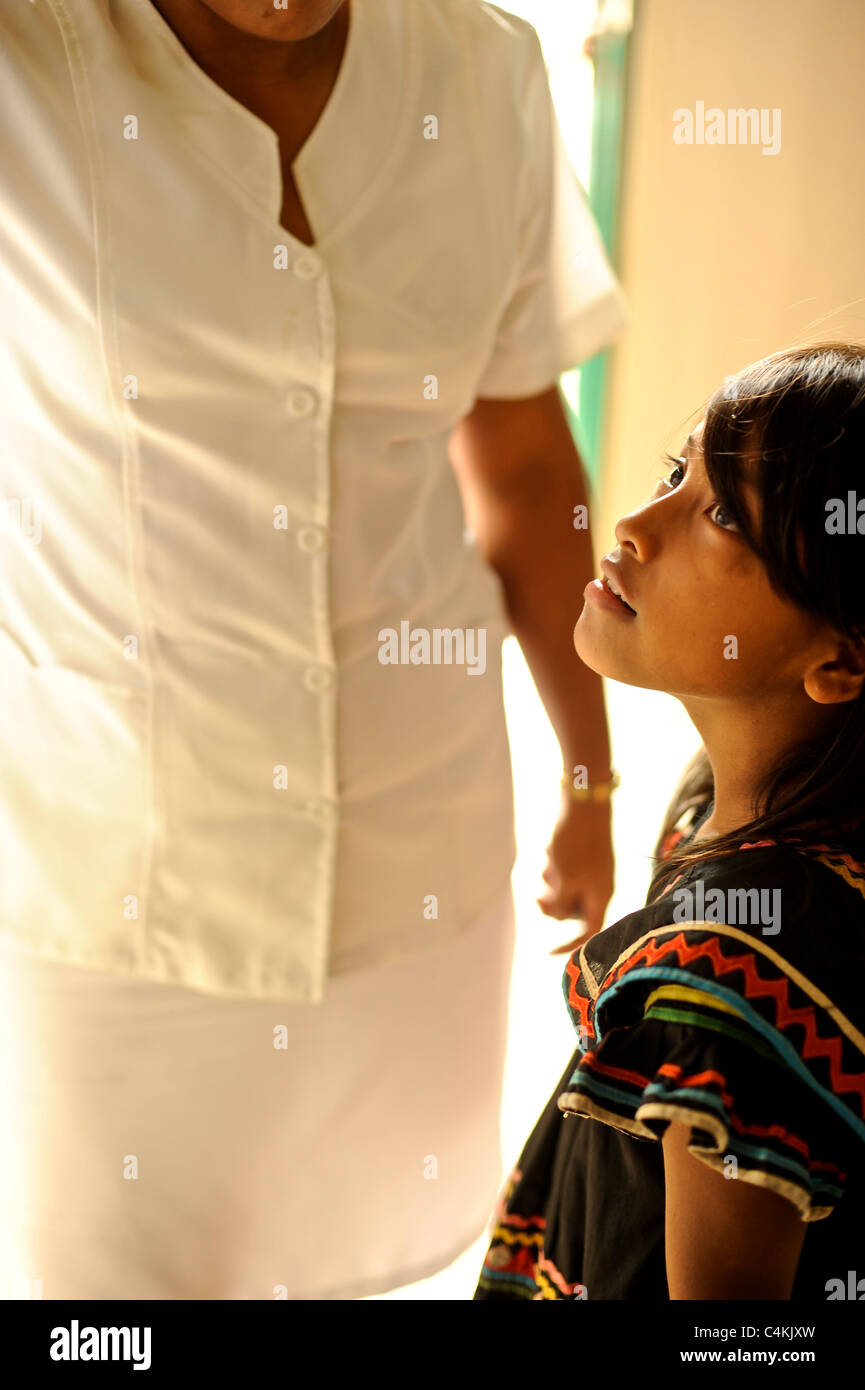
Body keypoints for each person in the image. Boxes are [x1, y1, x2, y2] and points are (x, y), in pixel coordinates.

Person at [0, 0, 628, 1299]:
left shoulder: (480, 70)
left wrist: (591, 775)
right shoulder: (30, 58)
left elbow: (520, 470)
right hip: (113, 853)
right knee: (109, 1296)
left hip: (414, 837)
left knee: (376, 1261)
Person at [474, 342, 865, 1300]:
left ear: (839, 660)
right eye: (671, 473)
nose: (635, 526)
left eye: (721, 513)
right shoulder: (715, 805)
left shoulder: (729, 971)